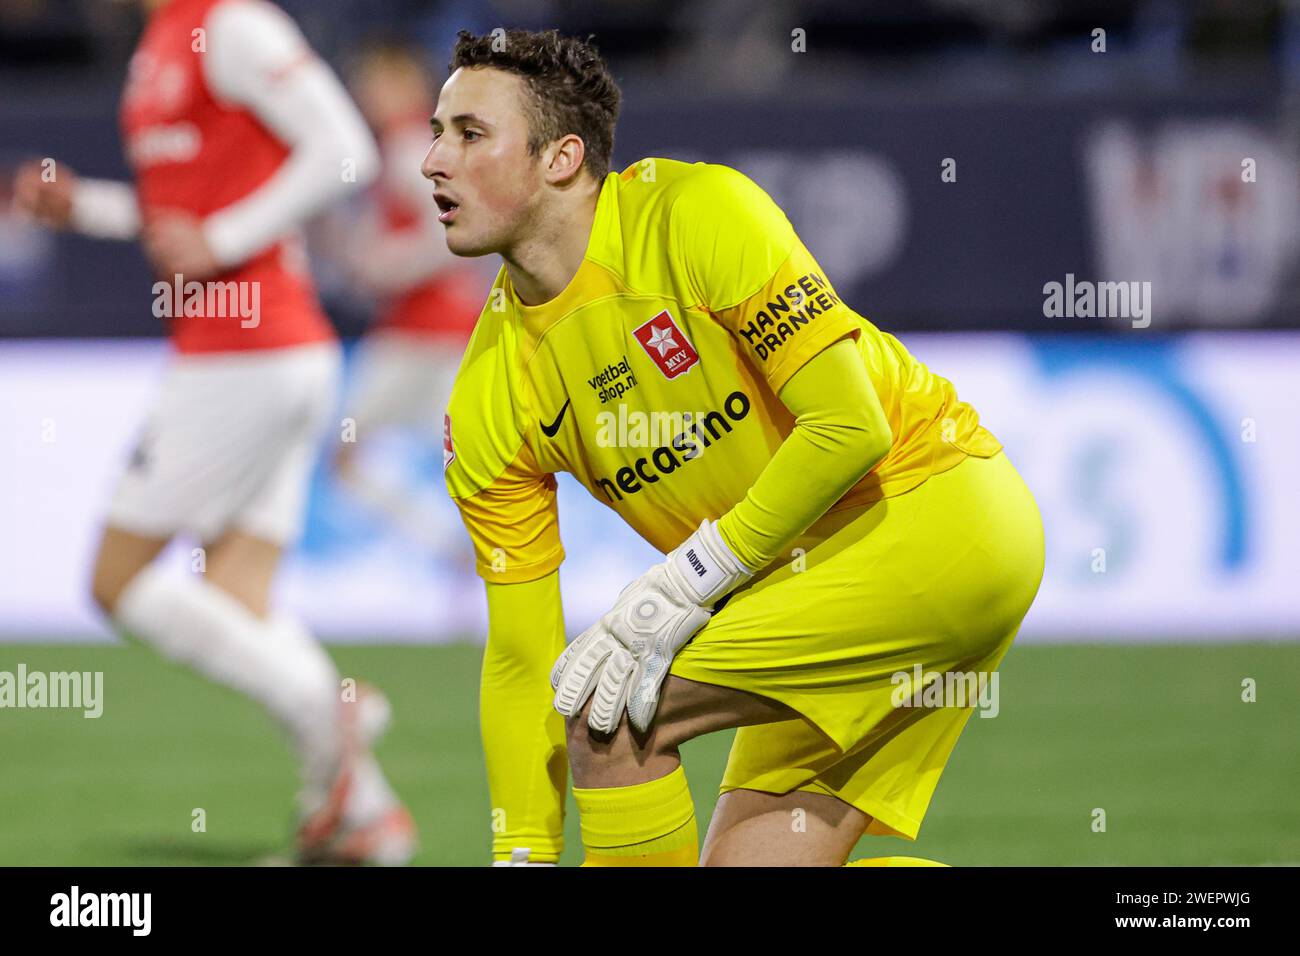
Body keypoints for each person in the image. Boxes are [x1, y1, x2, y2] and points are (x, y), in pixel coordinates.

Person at [429, 28, 1044, 866]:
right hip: (808, 586)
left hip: (935, 510)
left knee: (610, 719)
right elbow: (519, 656)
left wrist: (689, 577)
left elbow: (848, 428)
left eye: (468, 134)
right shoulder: (490, 390)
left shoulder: (697, 215)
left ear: (561, 158)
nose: (432, 160)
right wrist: (523, 853)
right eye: (437, 131)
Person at [12, 0, 416, 865]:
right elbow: (182, 217)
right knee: (238, 596)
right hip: (270, 354)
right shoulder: (161, 40)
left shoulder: (231, 23)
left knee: (115, 580)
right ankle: (367, 820)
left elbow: (344, 148)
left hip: (245, 353)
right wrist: (82, 206)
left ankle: (329, 708)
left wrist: (227, 236)